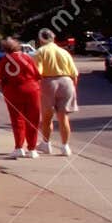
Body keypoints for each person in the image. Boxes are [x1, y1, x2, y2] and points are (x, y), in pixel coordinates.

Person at [0, 38, 43, 158]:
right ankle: (32, 149)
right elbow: (37, 76)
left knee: (17, 119)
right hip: (32, 90)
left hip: (13, 92)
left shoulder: (4, 60)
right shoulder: (27, 58)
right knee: (33, 119)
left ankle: (19, 147)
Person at [36, 28, 79, 156]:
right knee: (63, 116)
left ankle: (46, 143)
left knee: (47, 117)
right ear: (53, 38)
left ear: (40, 39)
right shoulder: (64, 52)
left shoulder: (41, 52)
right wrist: (73, 88)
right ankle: (65, 146)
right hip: (67, 82)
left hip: (48, 82)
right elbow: (74, 74)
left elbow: (38, 73)